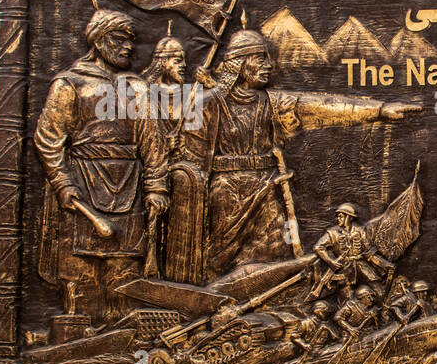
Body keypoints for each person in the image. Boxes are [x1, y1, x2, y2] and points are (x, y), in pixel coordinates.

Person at [166, 27, 421, 282]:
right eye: (260, 59)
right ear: (239, 64)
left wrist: (380, 110)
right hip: (226, 197)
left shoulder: (271, 103)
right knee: (221, 264)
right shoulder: (207, 104)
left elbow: (318, 107)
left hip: (267, 191)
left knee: (274, 261)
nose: (269, 65)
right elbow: (190, 160)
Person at [33, 9, 168, 324]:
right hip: (83, 185)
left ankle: (121, 348)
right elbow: (48, 140)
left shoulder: (136, 87)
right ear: (100, 40)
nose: (129, 48)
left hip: (130, 187)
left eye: (131, 41)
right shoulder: (70, 84)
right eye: (120, 40)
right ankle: (78, 345)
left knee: (125, 279)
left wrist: (156, 186)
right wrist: (62, 183)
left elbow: (153, 141)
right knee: (82, 277)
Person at [310, 202, 395, 299]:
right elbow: (318, 247)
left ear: (349, 218)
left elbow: (369, 252)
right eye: (338, 217)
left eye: (341, 217)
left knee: (379, 291)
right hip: (345, 268)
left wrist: (384, 264)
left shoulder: (360, 231)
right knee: (347, 297)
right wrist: (331, 262)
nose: (338, 219)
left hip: (361, 265)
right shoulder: (332, 233)